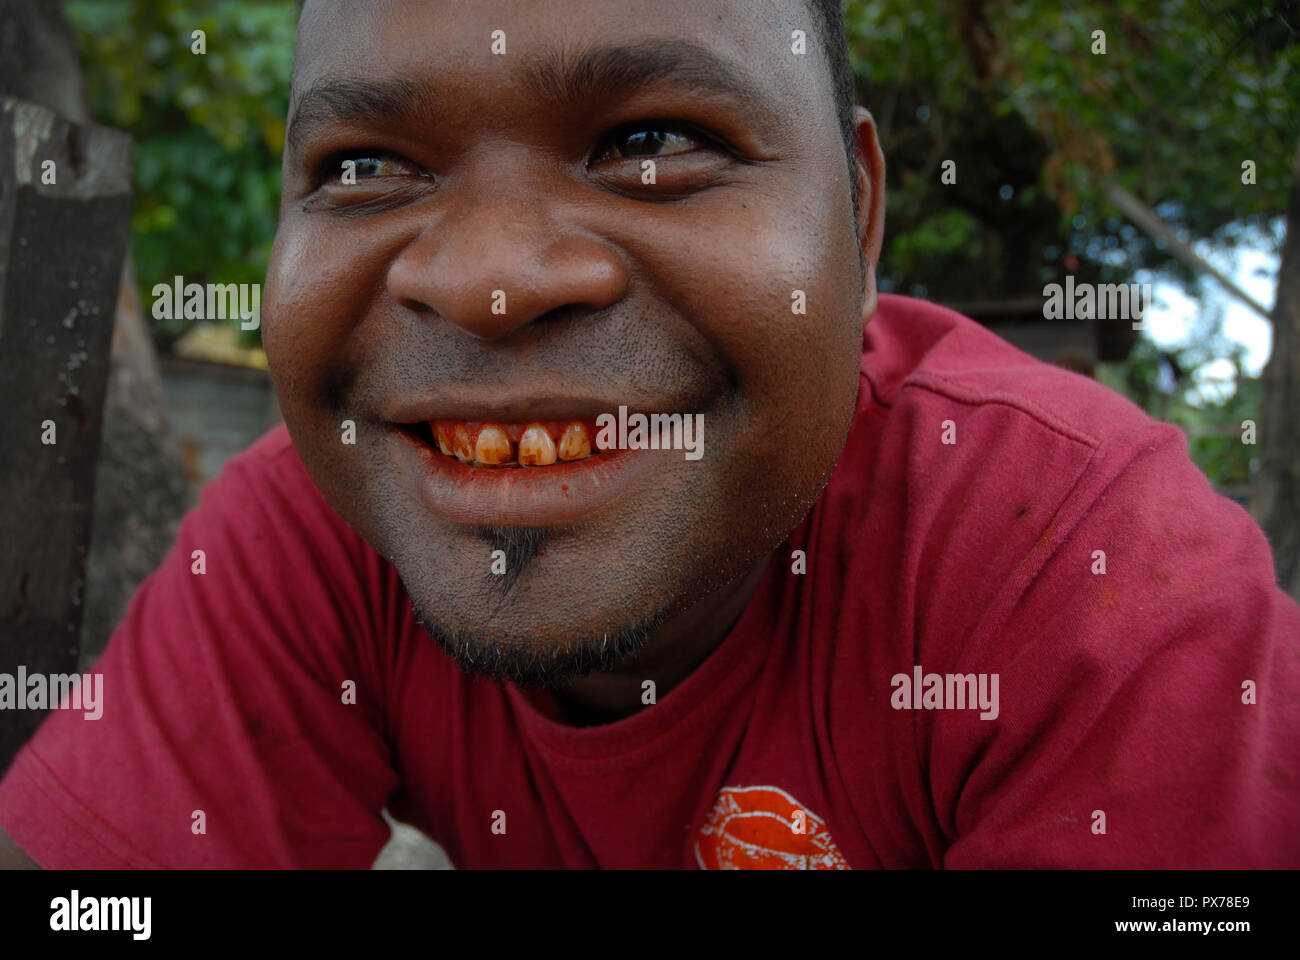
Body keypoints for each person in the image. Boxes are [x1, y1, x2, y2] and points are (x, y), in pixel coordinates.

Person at [2, 0, 1297, 869]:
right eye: (362, 167)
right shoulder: (325, 528)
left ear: (858, 215)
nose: (488, 279)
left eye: (652, 142)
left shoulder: (1090, 569)